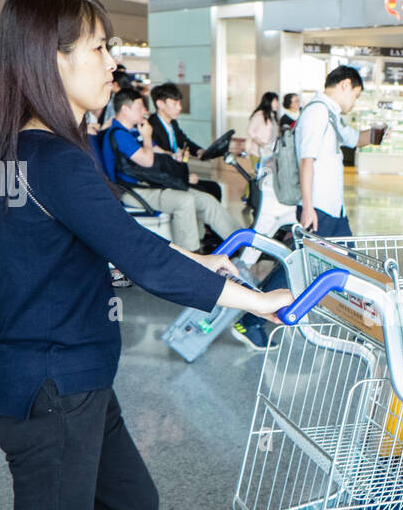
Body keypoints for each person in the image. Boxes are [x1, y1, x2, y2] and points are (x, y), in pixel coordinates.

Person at [0, 0, 291, 510]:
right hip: (51, 387)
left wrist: (209, 260)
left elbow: (118, 243)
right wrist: (253, 302)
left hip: (75, 379)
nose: (110, 62)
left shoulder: (41, 149)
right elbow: (140, 260)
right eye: (97, 49)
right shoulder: (49, 154)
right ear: (47, 60)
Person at [230, 65, 386, 351]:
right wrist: (308, 207)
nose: (355, 102)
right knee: (298, 266)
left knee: (340, 262)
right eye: (356, 94)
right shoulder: (316, 113)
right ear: (345, 85)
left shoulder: (329, 115)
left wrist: (380, 131)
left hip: (333, 209)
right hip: (320, 209)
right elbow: (307, 162)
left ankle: (356, 324)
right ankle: (250, 321)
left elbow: (355, 139)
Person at [99, 90, 239, 249]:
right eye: (139, 107)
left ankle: (244, 244)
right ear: (125, 109)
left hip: (150, 184)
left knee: (206, 200)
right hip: (133, 190)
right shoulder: (119, 134)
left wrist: (173, 155)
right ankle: (191, 257)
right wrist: (147, 136)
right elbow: (147, 161)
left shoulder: (134, 130)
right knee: (185, 201)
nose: (144, 111)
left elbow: (156, 150)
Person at [147, 83, 225, 202]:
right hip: (166, 181)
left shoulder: (172, 123)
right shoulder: (151, 127)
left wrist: (199, 151)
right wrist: (185, 179)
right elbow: (160, 161)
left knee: (214, 187)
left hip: (177, 175)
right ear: (160, 104)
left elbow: (183, 141)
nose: (180, 107)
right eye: (175, 103)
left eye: (179, 103)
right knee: (206, 192)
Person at [245, 91, 280, 168]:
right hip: (257, 152)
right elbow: (250, 131)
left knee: (266, 176)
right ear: (268, 102)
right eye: (275, 101)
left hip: (269, 152)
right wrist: (260, 143)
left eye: (277, 102)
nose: (277, 104)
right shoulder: (260, 115)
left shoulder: (273, 115)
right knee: (257, 176)